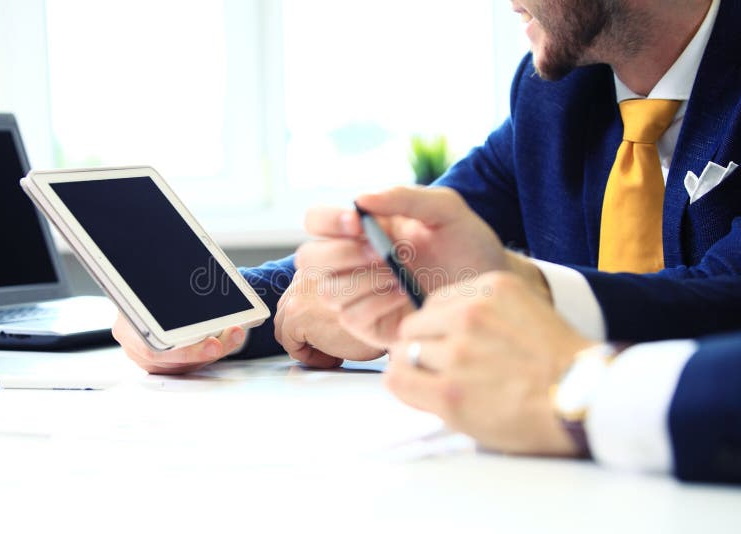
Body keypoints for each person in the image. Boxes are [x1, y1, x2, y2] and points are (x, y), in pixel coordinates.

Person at [114, 0, 741, 373]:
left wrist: (457, 293)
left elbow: (725, 295)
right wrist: (195, 315)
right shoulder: (553, 98)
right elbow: (401, 246)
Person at [298, 186, 741, 484]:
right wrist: (242, 321)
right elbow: (409, 237)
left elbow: (727, 288)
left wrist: (579, 384)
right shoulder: (555, 91)